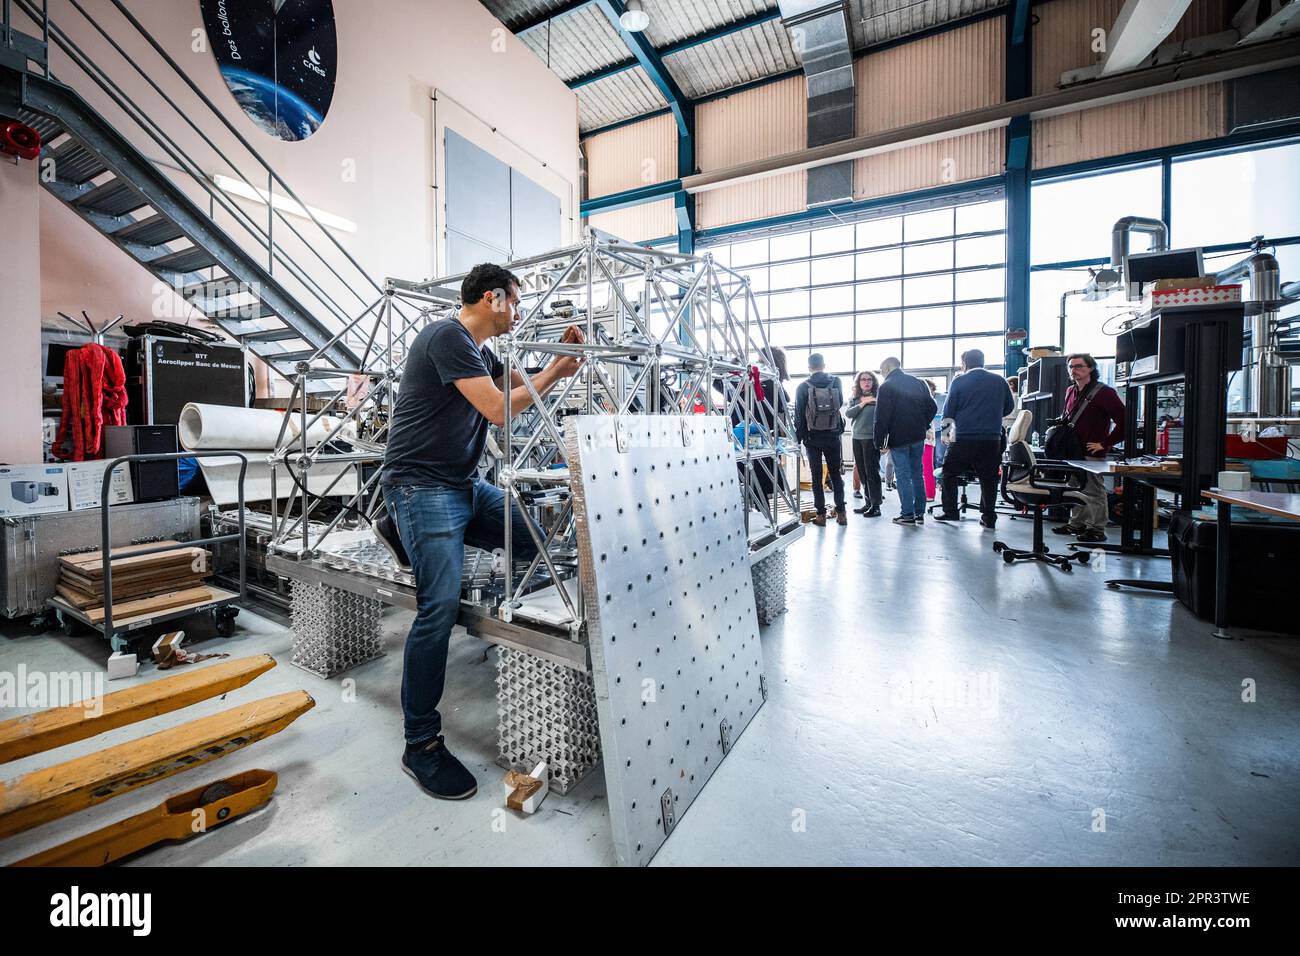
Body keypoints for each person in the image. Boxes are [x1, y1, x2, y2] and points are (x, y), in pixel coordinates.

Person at [375, 263, 584, 800]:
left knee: (536, 540)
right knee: (438, 607)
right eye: (515, 300)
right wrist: (556, 373)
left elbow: (515, 384)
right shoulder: (447, 337)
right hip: (421, 487)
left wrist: (557, 361)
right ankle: (419, 744)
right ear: (493, 298)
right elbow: (497, 410)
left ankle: (407, 537)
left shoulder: (480, 350)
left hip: (463, 487)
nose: (518, 309)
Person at [934, 349, 1015, 529]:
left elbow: (949, 411)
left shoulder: (959, 381)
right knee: (989, 478)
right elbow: (1009, 407)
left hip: (965, 437)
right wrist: (992, 416)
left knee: (949, 472)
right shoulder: (999, 381)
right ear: (983, 361)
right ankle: (988, 517)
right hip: (992, 438)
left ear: (964, 363)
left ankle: (950, 511)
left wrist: (946, 434)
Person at [1052, 353, 1125, 544]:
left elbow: (1125, 422)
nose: (1074, 370)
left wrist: (1105, 443)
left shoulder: (1105, 393)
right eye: (1071, 367)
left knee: (1093, 489)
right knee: (1075, 487)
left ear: (1091, 368)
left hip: (1091, 451)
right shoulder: (1070, 391)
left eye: (1079, 366)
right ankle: (1076, 524)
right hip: (1072, 450)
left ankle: (1096, 528)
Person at [874, 357, 936, 526]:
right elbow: (932, 407)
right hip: (918, 436)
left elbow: (881, 418)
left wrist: (879, 441)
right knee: (917, 473)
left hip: (898, 438)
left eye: (881, 370)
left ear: (886, 368)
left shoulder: (886, 387)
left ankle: (907, 514)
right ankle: (919, 513)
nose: (881, 374)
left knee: (903, 476)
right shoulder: (918, 382)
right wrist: (923, 424)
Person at [795, 352, 846, 526]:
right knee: (836, 475)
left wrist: (799, 437)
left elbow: (799, 415)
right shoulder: (836, 381)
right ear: (824, 365)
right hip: (833, 435)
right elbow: (840, 404)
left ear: (809, 367)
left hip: (813, 437)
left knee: (817, 477)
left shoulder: (803, 386)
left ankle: (821, 515)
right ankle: (841, 514)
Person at [844, 370, 882, 518]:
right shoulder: (855, 398)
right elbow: (848, 414)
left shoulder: (879, 397)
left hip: (871, 439)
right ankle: (868, 503)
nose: (866, 382)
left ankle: (876, 506)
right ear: (859, 383)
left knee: (872, 473)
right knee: (863, 473)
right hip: (857, 438)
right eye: (863, 380)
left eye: (869, 379)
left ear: (873, 382)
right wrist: (863, 403)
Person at [922, 379, 941, 501]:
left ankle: (930, 493)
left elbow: (947, 415)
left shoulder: (932, 400)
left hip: (930, 435)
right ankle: (927, 493)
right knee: (925, 466)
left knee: (929, 465)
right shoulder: (924, 400)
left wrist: (947, 434)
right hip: (925, 435)